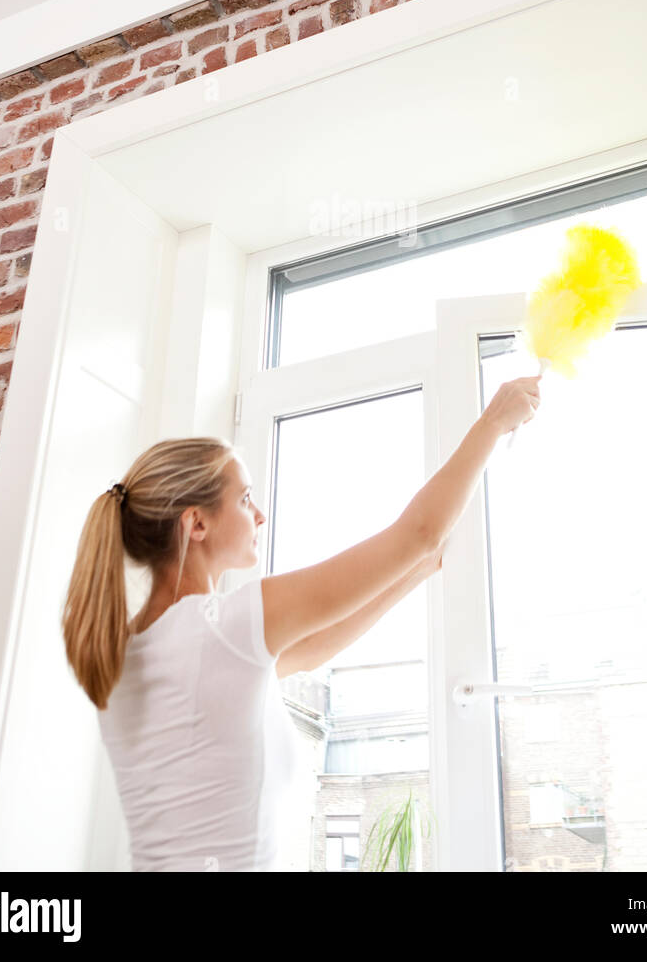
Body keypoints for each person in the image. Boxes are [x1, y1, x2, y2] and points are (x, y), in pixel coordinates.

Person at [61, 373, 541, 871]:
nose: (259, 514)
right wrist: (493, 421)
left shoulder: (130, 652)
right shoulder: (221, 629)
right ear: (196, 523)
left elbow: (313, 647)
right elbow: (418, 532)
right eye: (244, 498)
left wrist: (418, 571)